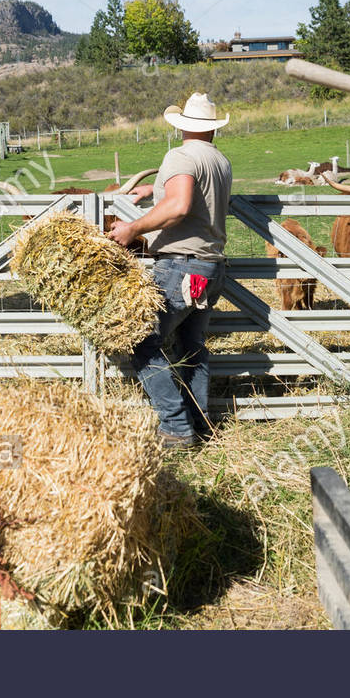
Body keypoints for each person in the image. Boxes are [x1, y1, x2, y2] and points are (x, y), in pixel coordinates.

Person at [106, 92, 232, 448]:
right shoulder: (219, 160)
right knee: (192, 347)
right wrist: (156, 188)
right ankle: (200, 422)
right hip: (210, 269)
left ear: (182, 127)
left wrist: (133, 229)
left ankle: (176, 427)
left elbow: (179, 206)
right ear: (211, 128)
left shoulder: (179, 155)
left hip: (180, 267)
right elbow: (193, 195)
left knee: (142, 342)